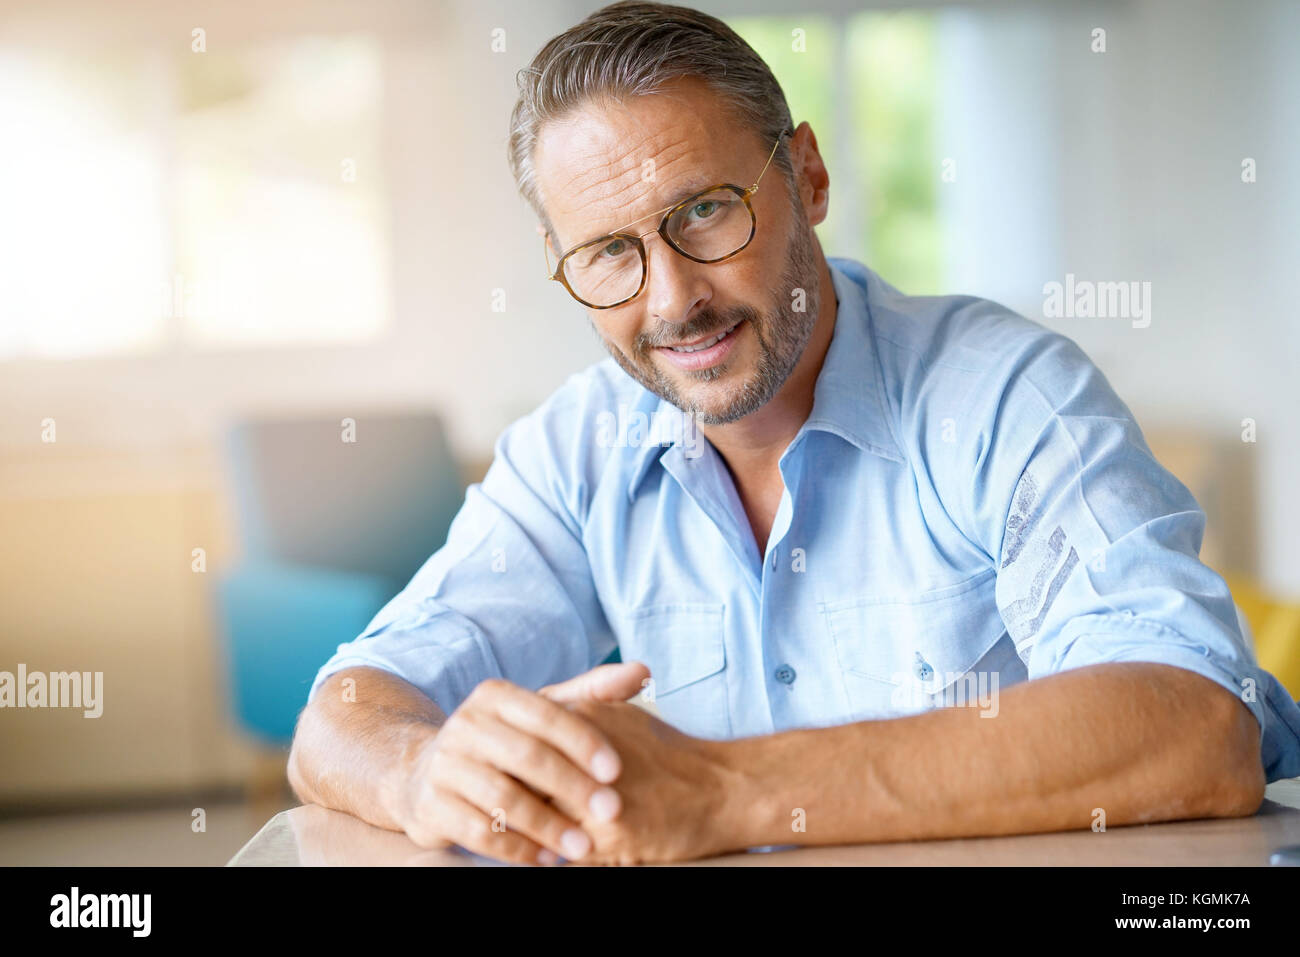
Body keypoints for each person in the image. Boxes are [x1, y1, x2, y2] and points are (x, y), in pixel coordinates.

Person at [287, 1, 1300, 866]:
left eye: (708, 212)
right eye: (608, 253)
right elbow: (340, 717)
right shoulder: (572, 450)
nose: (673, 299)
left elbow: (1194, 724)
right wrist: (425, 773)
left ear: (807, 176)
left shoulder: (1003, 396)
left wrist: (718, 789)